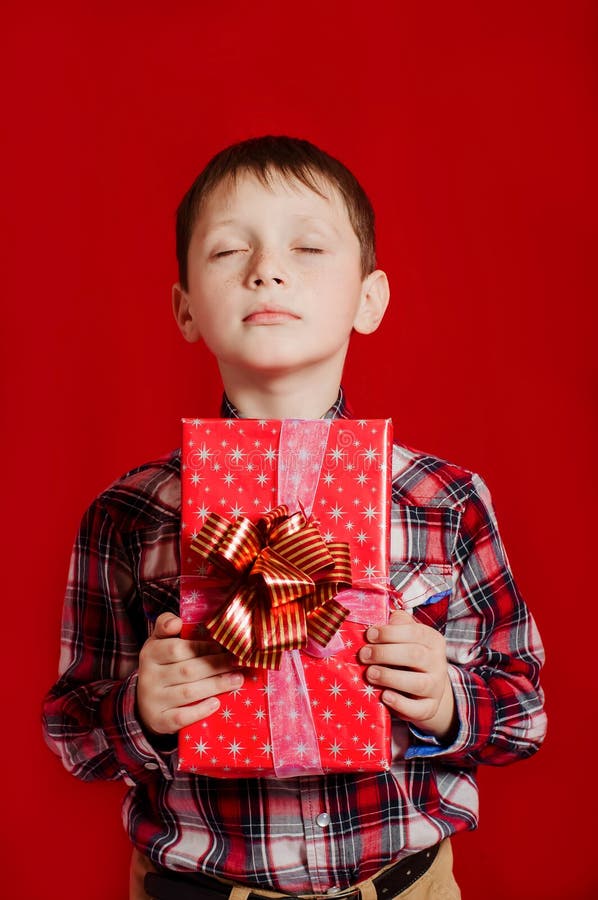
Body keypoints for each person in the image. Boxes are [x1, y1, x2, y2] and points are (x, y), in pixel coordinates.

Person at [43, 136, 547, 900]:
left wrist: (447, 703)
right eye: (226, 253)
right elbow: (75, 736)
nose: (266, 270)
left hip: (404, 886)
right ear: (183, 307)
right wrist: (142, 710)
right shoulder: (131, 515)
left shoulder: (444, 499)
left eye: (307, 246)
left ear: (369, 298)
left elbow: (525, 713)